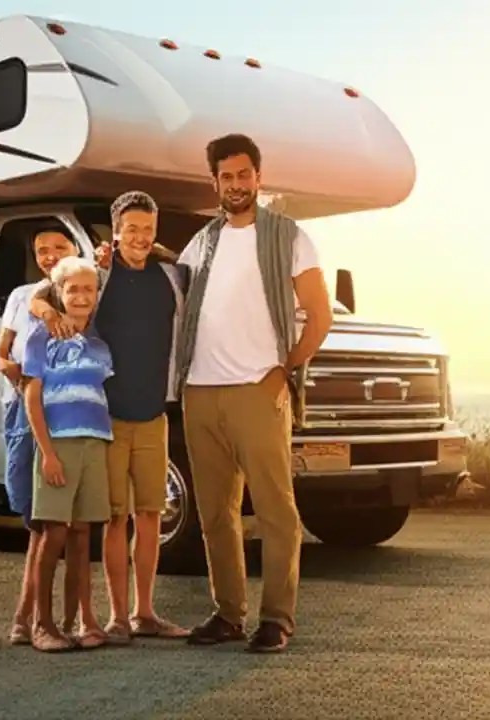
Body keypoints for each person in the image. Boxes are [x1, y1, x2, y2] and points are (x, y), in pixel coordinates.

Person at [173, 133, 333, 653]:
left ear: (258, 178)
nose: (236, 184)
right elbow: (172, 292)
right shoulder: (202, 241)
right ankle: (227, 613)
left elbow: (320, 314)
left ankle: (277, 618)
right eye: (226, 177)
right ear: (215, 182)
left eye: (245, 175)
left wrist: (283, 371)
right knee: (216, 513)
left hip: (256, 391)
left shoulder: (288, 236)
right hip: (200, 390)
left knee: (275, 510)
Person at [28, 191, 190, 645]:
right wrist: (43, 309)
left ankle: (145, 612)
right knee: (116, 519)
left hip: (154, 415)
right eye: (131, 228)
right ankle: (117, 616)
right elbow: (45, 292)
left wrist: (156, 250)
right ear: (115, 232)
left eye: (148, 228)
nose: (140, 236)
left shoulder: (169, 276)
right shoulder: (98, 273)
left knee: (152, 515)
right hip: (109, 420)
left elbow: (188, 270)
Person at [0, 227, 100, 648]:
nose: (50, 254)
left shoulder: (81, 302)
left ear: (75, 251)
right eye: (41, 249)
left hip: (69, 421)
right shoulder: (25, 296)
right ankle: (32, 620)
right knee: (37, 519)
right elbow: (2, 350)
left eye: (59, 247)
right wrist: (9, 368)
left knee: (52, 525)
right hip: (23, 409)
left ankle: (31, 620)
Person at [18, 255, 116, 652]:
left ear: (96, 296)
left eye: (88, 289)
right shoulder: (41, 337)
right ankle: (41, 625)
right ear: (58, 292)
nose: (80, 296)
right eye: (72, 289)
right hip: (58, 444)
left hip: (95, 443)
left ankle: (78, 621)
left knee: (81, 534)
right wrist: (48, 453)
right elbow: (31, 396)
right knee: (53, 533)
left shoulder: (99, 344)